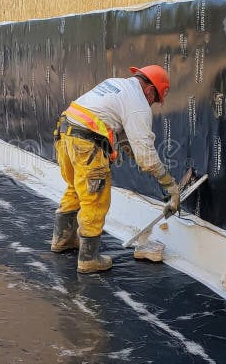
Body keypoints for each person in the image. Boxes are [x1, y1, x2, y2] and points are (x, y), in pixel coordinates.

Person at [51, 65, 182, 274]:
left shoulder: (116, 84)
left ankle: (62, 239)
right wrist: (169, 185)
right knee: (96, 199)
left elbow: (124, 138)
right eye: (155, 99)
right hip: (87, 144)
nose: (153, 104)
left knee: (76, 188)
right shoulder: (139, 103)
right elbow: (146, 155)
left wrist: (137, 157)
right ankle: (88, 259)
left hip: (65, 135)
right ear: (150, 90)